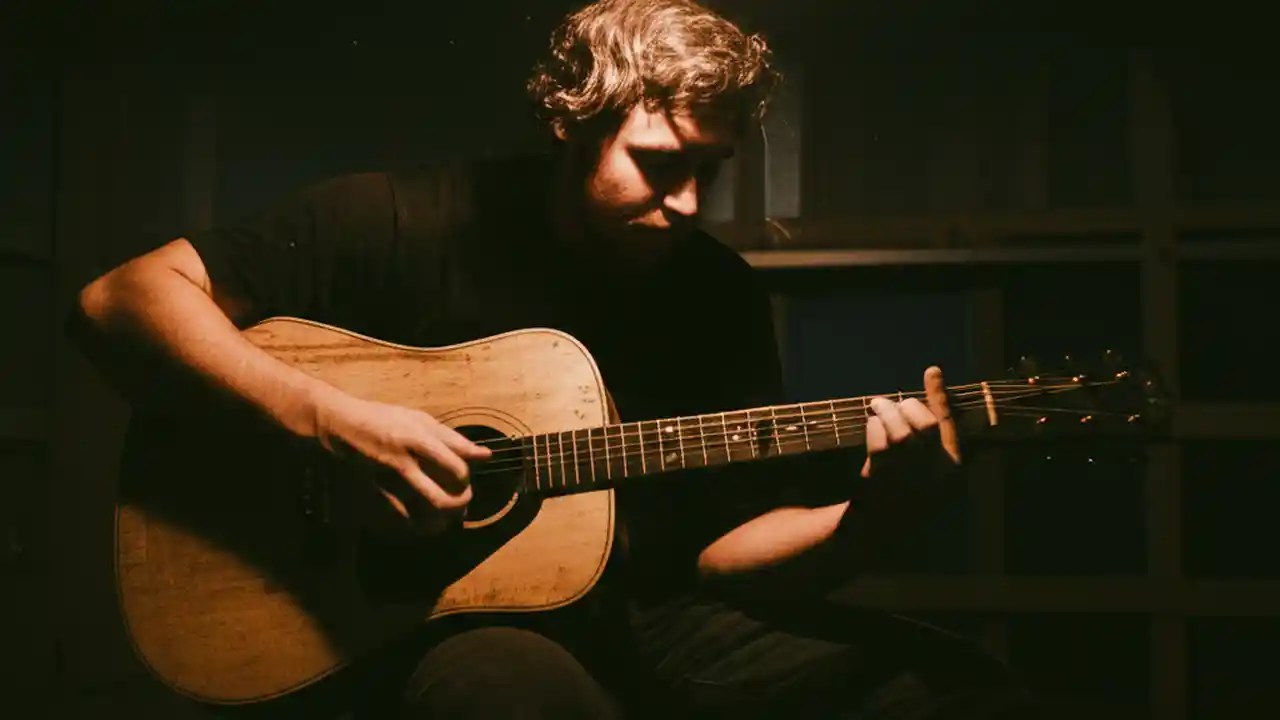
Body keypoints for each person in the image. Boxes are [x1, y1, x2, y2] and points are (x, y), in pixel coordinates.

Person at [72, 1, 1038, 717]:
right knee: (517, 691)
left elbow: (721, 552)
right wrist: (331, 424)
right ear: (573, 121)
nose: (692, 204)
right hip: (422, 619)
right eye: (661, 164)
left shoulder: (714, 291)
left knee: (954, 690)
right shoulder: (391, 219)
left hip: (643, 617)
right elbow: (121, 300)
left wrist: (867, 522)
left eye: (712, 171)